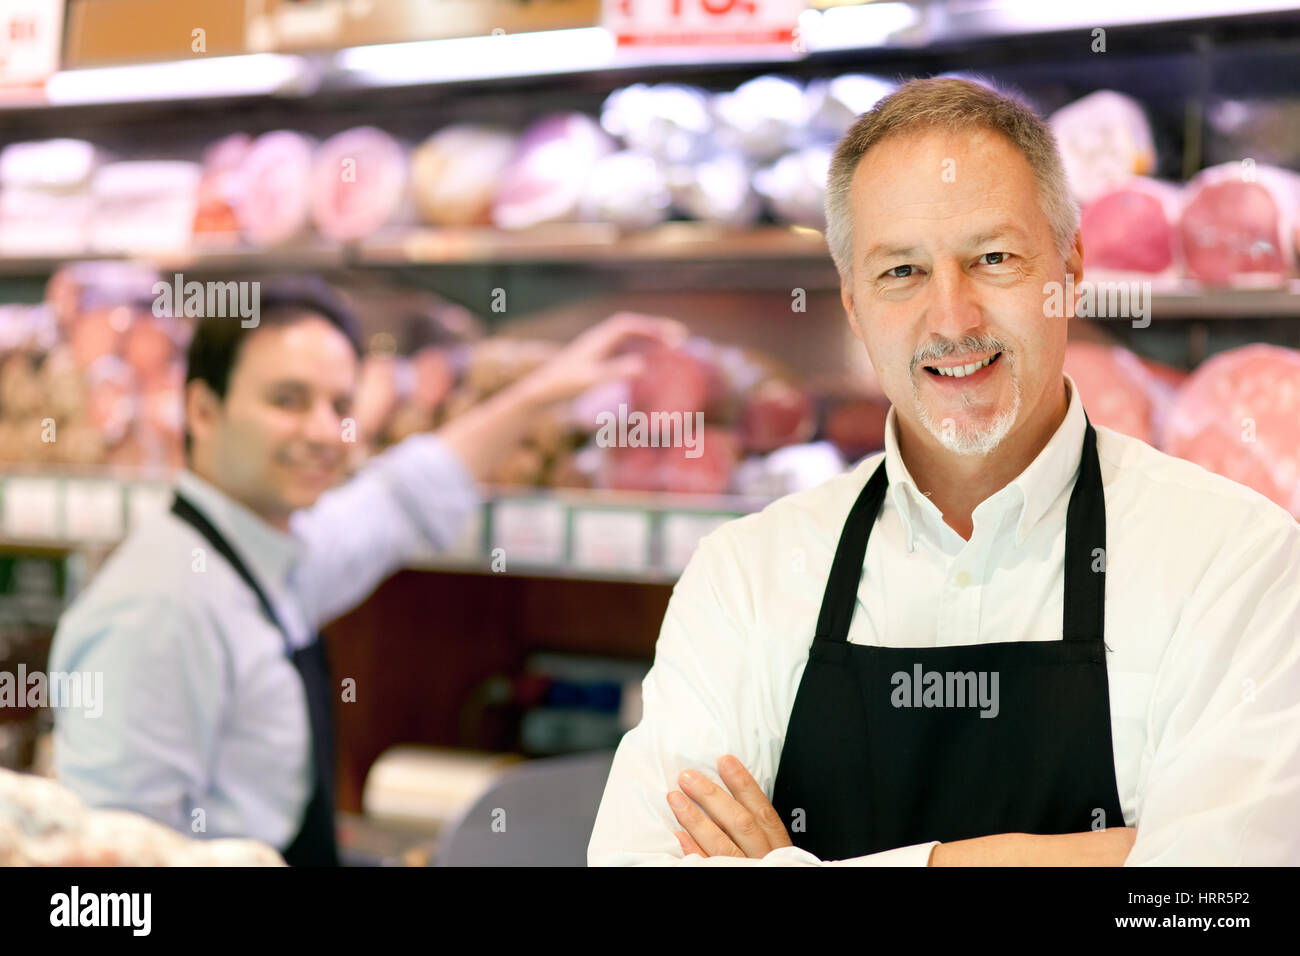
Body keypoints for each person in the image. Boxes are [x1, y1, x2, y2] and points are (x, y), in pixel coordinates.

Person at [588, 77, 1300, 866]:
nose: (952, 320)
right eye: (902, 272)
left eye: (993, 259)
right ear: (853, 302)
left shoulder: (1238, 561)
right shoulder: (748, 575)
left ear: (1068, 271)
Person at [48, 277, 684, 865]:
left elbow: (396, 501)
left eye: (340, 404)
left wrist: (542, 392)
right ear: (204, 410)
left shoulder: (267, 559)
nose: (326, 432)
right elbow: (112, 872)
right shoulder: (160, 607)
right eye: (288, 400)